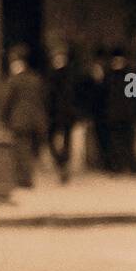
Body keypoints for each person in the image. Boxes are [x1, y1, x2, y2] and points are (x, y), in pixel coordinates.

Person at [1, 47, 47, 188]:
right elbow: (44, 98)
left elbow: (6, 101)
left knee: (21, 151)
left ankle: (23, 179)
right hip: (36, 120)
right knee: (30, 150)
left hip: (19, 120)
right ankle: (27, 177)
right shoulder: (36, 79)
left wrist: (5, 118)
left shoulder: (14, 81)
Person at [46, 42, 78, 183]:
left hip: (64, 112)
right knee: (54, 139)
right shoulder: (54, 74)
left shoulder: (69, 74)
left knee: (65, 140)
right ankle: (62, 162)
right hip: (55, 112)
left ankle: (63, 164)